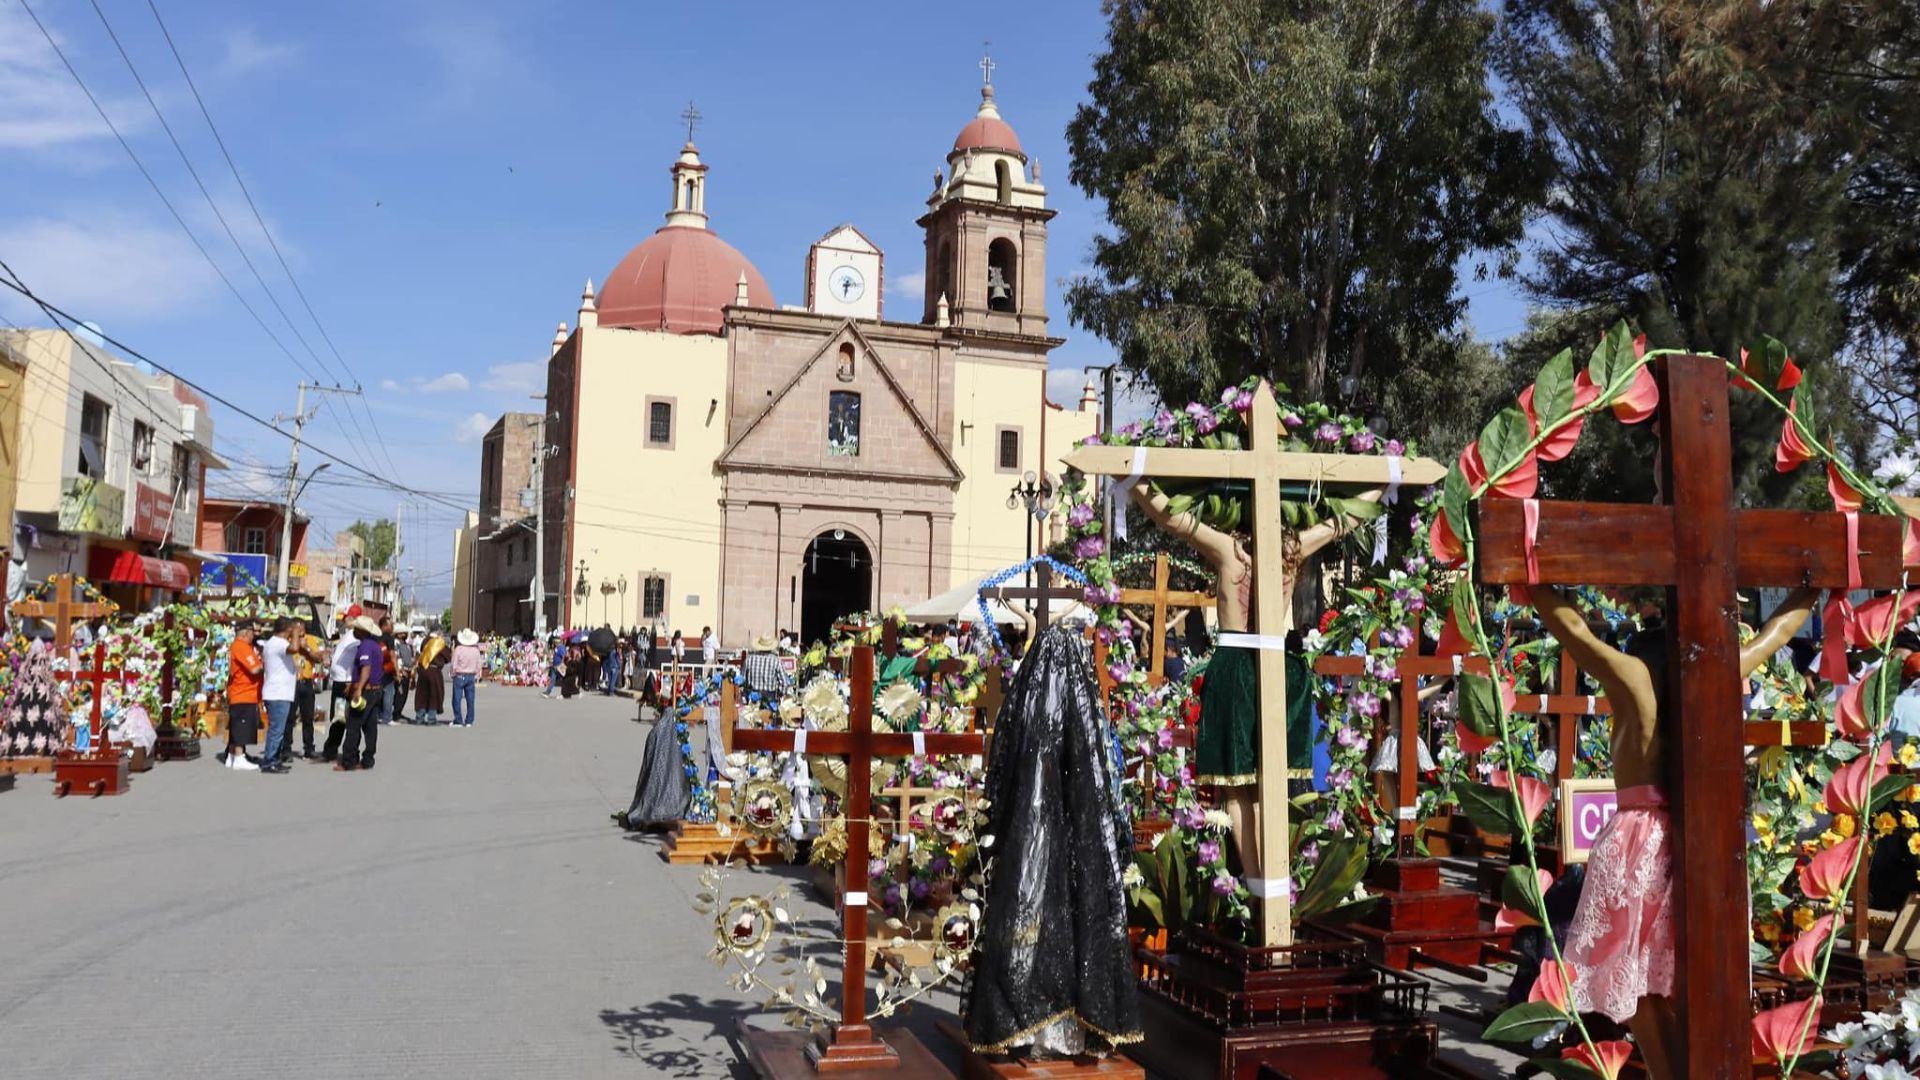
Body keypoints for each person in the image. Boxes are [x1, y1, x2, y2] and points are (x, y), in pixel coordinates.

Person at [1536, 585, 1815, 1079]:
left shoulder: (1632, 676)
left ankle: (1667, 1071)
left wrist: (1530, 586)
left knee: (1635, 983)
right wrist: (1814, 588)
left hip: (1636, 839)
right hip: (1697, 836)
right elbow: (1778, 632)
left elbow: (1574, 629)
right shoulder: (1708, 674)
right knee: (1684, 978)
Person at [337, 616, 384, 772]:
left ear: (361, 631)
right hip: (376, 689)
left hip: (366, 690)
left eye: (356, 629)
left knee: (354, 725)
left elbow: (366, 668)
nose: (354, 631)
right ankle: (368, 759)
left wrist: (358, 689)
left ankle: (348, 761)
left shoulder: (364, 646)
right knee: (371, 727)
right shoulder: (375, 645)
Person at [259, 617, 302, 774]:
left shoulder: (273, 643)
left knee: (279, 729)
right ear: (287, 629)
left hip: (278, 692)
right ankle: (269, 761)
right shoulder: (278, 643)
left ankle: (274, 759)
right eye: (292, 629)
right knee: (277, 730)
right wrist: (296, 633)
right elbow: (295, 648)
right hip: (278, 693)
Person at [222, 621, 265, 772]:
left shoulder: (238, 646)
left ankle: (232, 756)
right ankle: (238, 757)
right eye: (253, 631)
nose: (255, 634)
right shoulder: (241, 647)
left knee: (237, 727)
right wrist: (263, 665)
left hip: (243, 693)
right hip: (243, 693)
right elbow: (254, 669)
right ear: (246, 633)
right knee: (241, 727)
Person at [322, 615, 360, 761]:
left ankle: (349, 752)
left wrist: (351, 680)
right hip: (340, 681)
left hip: (347, 682)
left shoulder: (356, 639)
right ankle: (331, 750)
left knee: (348, 719)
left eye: (349, 618)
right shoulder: (347, 635)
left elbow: (355, 662)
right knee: (339, 718)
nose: (346, 621)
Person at [415, 628, 449, 724]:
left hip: (423, 669)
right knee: (435, 694)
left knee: (422, 694)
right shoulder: (440, 642)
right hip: (434, 670)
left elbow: (422, 652)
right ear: (438, 633)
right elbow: (448, 656)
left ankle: (419, 717)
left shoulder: (425, 640)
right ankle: (431, 718)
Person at [450, 628, 482, 727]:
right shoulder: (475, 650)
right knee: (470, 699)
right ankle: (469, 720)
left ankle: (458, 720)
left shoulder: (458, 649)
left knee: (457, 698)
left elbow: (454, 664)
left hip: (459, 675)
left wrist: (452, 674)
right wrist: (477, 675)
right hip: (470, 675)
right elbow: (478, 664)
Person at [391, 632, 417, 721]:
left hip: (408, 670)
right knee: (399, 693)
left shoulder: (407, 645)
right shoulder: (396, 644)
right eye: (402, 633)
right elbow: (396, 657)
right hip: (401, 671)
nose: (404, 635)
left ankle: (399, 712)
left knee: (404, 693)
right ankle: (395, 714)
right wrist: (399, 670)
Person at [543, 635, 566, 699]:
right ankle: (547, 692)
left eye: (555, 642)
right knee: (552, 680)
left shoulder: (561, 647)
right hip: (554, 666)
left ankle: (564, 693)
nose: (554, 644)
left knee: (563, 680)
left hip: (559, 667)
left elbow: (563, 656)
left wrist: (561, 665)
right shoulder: (556, 648)